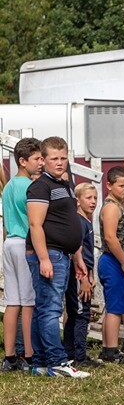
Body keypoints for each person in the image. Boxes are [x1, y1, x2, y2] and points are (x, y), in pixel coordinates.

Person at [25, 136, 90, 378]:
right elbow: (35, 224)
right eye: (54, 158)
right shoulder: (40, 186)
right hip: (50, 253)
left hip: (65, 254)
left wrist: (78, 257)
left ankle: (41, 362)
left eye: (63, 158)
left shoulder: (63, 184)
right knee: (50, 309)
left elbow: (69, 223)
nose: (60, 163)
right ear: (43, 160)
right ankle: (57, 361)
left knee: (44, 308)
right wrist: (43, 259)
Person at [1, 138, 43, 371]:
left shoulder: (8, 186)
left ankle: (9, 356)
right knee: (28, 303)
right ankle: (28, 354)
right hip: (25, 243)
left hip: (9, 242)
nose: (41, 163)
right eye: (36, 159)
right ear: (23, 161)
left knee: (12, 302)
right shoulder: (29, 186)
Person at [97, 166, 124, 364]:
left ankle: (107, 348)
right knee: (115, 309)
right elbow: (111, 238)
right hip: (113, 260)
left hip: (116, 260)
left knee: (116, 306)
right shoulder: (111, 207)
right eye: (121, 186)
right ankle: (111, 350)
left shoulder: (120, 204)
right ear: (109, 185)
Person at [63, 182, 99, 369]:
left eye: (95, 198)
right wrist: (83, 279)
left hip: (86, 274)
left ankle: (70, 351)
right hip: (77, 275)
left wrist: (91, 275)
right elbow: (78, 252)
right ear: (77, 200)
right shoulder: (78, 221)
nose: (93, 202)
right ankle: (78, 355)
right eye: (88, 198)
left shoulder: (87, 221)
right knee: (80, 314)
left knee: (77, 312)